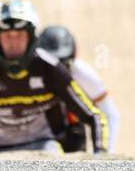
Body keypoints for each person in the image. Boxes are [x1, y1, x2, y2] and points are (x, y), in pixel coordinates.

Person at [0, 0, 110, 157]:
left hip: (44, 152)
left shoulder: (50, 68)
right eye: (7, 36)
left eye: (20, 35)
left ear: (31, 37)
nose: (13, 43)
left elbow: (95, 117)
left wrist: (100, 159)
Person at [37, 25, 122, 154]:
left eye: (63, 64)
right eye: (51, 65)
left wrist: (106, 152)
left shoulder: (83, 74)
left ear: (74, 56)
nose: (58, 71)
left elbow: (109, 113)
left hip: (72, 133)